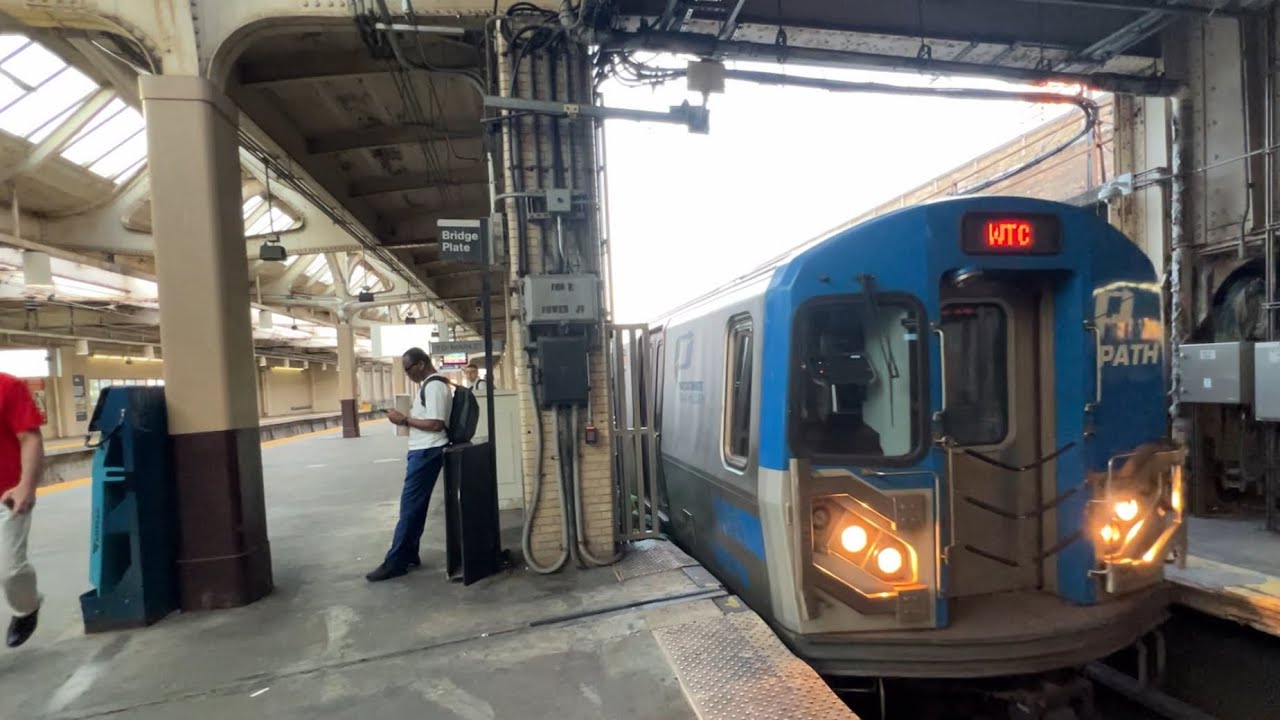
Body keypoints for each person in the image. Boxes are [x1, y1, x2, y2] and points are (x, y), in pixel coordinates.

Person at [367, 348, 450, 582]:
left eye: (408, 369)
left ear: (421, 364)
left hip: (427, 451)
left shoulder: (434, 386)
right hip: (423, 450)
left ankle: (395, 562)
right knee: (416, 507)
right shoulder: (430, 385)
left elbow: (436, 424)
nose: (408, 374)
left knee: (409, 507)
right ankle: (410, 553)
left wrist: (403, 419)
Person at [0, 372, 44, 647]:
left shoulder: (7, 386)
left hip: (7, 496)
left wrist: (26, 486)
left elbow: (29, 437)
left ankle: (26, 609)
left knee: (10, 571)